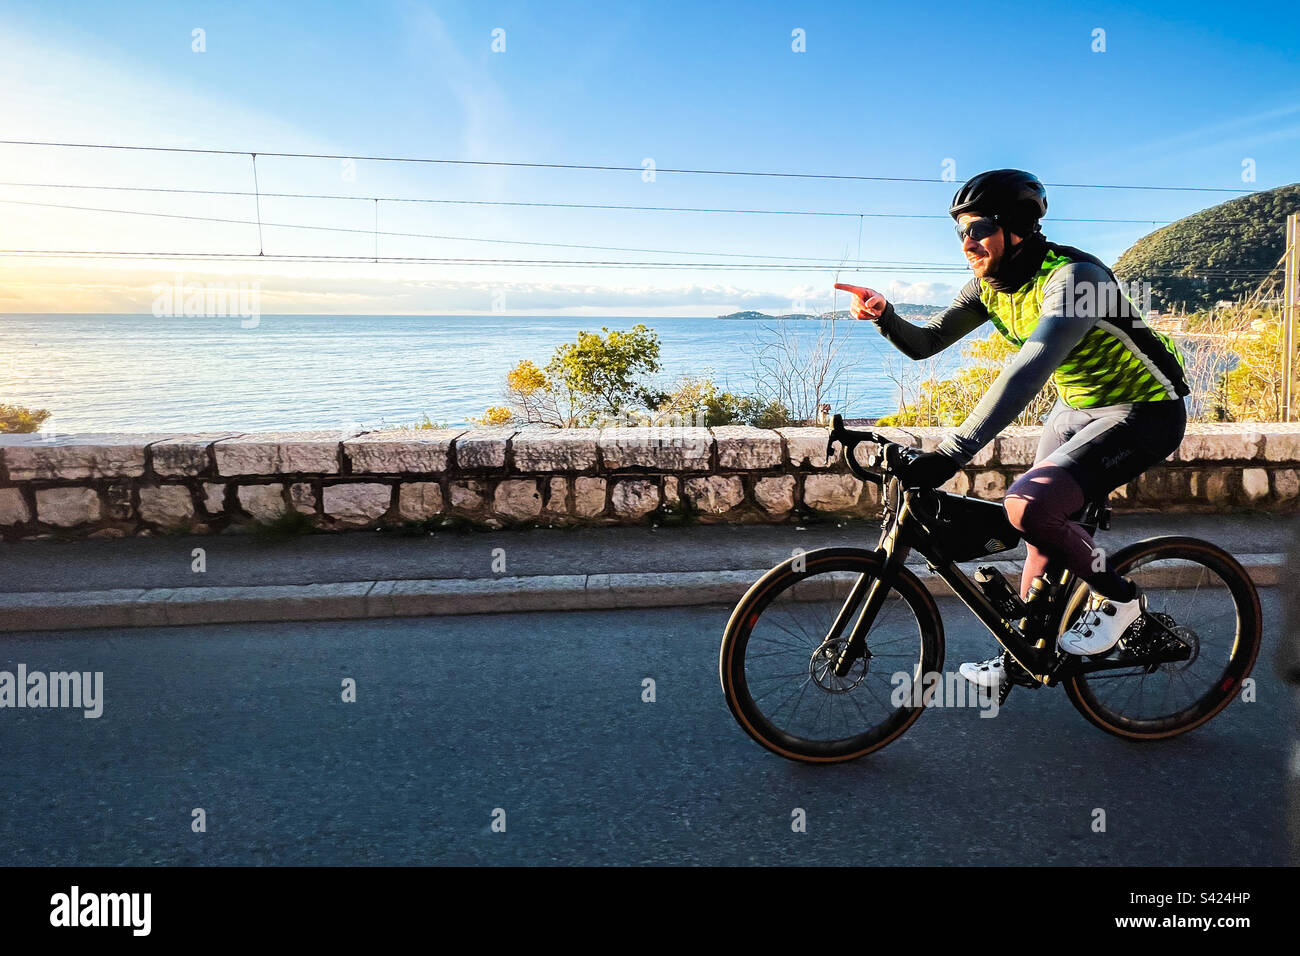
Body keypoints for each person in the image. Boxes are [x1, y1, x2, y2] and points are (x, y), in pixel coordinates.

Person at [843, 169, 1189, 689]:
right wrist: (885, 315)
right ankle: (1026, 656)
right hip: (1076, 411)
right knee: (1037, 538)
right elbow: (926, 342)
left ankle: (1121, 601)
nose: (967, 242)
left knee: (1027, 505)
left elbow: (1029, 368)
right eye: (959, 231)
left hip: (1143, 410)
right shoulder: (991, 285)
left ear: (1017, 227)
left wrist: (953, 452)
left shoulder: (1075, 279)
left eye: (978, 228)